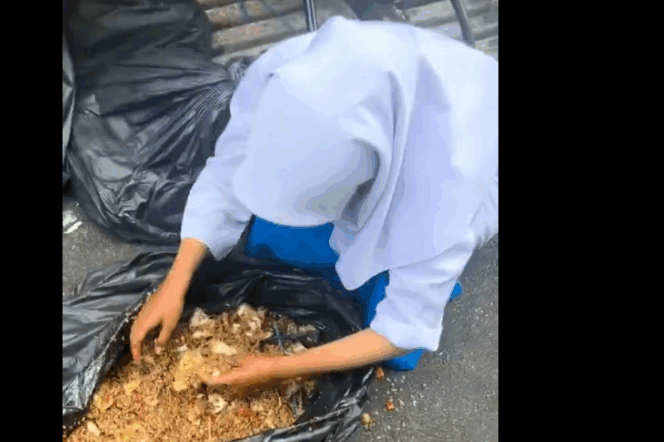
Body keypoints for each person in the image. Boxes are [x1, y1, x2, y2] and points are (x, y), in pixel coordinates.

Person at [130, 16, 498, 394]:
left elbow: (400, 331)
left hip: (466, 159)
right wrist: (176, 280)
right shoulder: (291, 80)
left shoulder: (444, 195)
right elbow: (230, 169)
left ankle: (434, 277)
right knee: (268, 242)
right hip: (412, 95)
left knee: (391, 338)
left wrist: (280, 367)